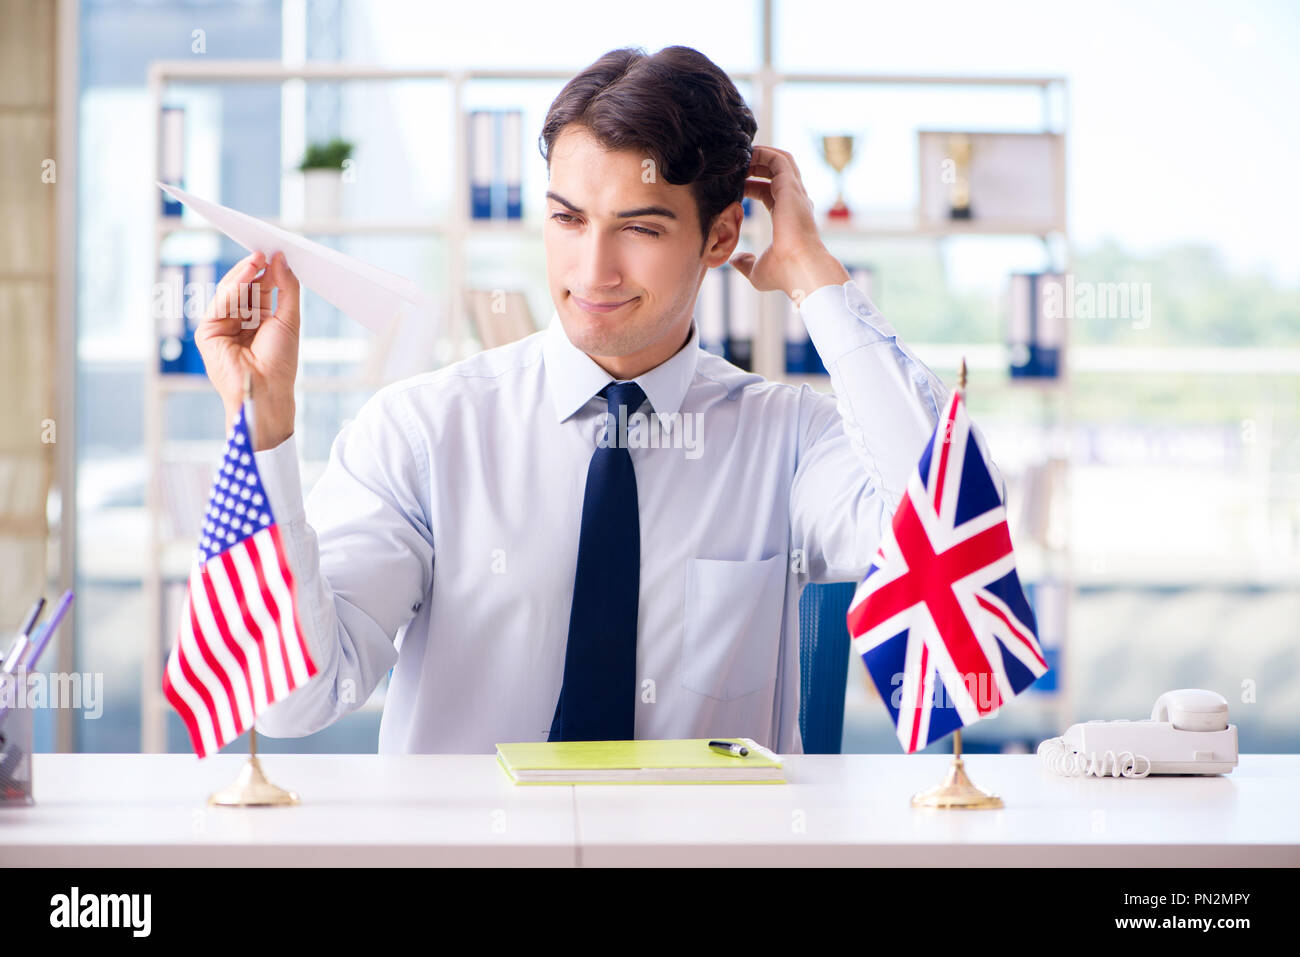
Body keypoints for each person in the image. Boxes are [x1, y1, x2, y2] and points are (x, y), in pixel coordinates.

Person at [195, 45, 1001, 754]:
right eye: (568, 219)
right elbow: (292, 699)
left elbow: (954, 536)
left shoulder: (788, 440)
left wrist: (815, 277)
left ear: (722, 236)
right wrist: (264, 432)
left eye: (640, 229)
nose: (593, 269)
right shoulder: (422, 432)